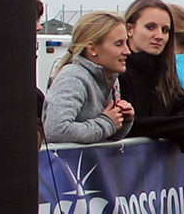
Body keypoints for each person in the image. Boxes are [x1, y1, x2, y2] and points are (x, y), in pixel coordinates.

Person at [42, 11, 136, 145]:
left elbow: (104, 136)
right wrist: (107, 122)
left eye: (126, 43)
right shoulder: (73, 78)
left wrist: (123, 120)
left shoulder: (111, 78)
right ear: (92, 48)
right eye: (118, 44)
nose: (127, 51)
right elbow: (55, 130)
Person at [120, 0, 184, 150]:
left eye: (165, 30)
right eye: (150, 27)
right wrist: (175, 128)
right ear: (130, 29)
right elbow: (126, 125)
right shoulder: (117, 71)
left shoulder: (163, 71)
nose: (159, 36)